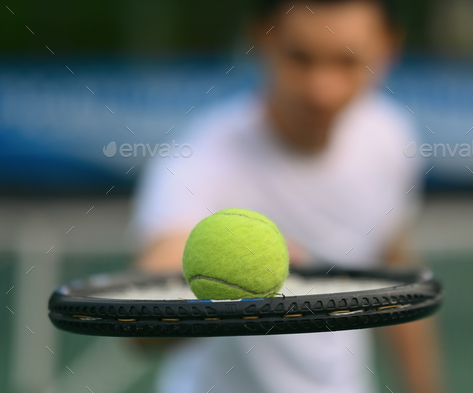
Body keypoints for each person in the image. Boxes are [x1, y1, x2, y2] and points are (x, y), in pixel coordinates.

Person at [130, 1, 444, 392]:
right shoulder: (200, 159)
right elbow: (143, 326)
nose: (321, 90)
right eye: (300, 58)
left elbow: (392, 260)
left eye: (347, 62)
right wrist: (226, 280)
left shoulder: (392, 138)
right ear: (262, 37)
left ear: (388, 47)